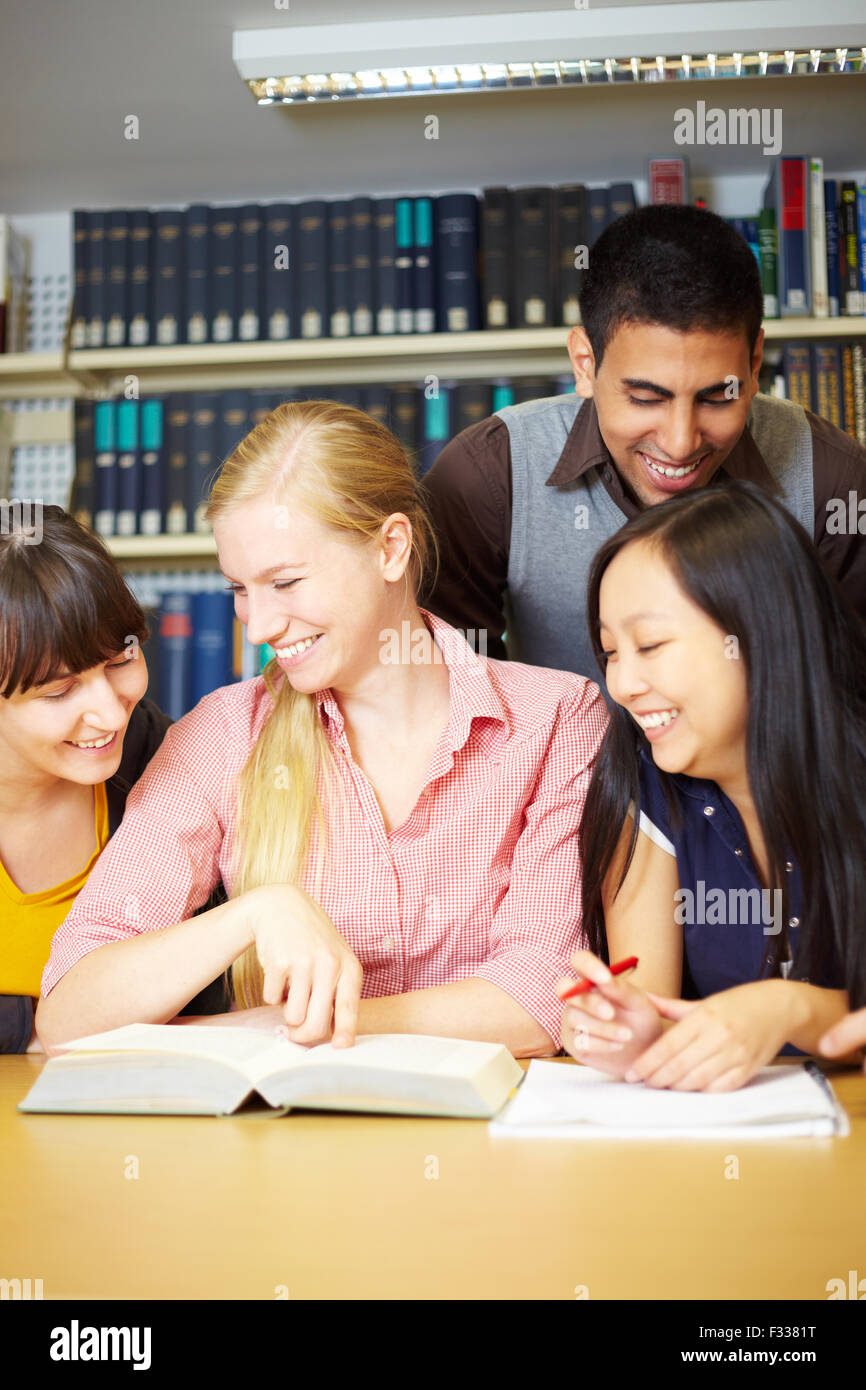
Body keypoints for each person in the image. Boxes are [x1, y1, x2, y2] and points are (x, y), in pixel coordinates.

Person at [36, 400, 608, 1057]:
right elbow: (69, 1017)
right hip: (283, 1148)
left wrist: (281, 1029)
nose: (259, 625)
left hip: (487, 1149)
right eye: (239, 590)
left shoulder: (557, 720)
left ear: (391, 547)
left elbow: (537, 1003)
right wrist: (256, 911)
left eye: (285, 582)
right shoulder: (218, 736)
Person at [422, 204, 866, 685]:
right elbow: (456, 707)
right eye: (646, 398)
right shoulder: (486, 477)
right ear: (585, 364)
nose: (679, 444)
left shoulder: (836, 483)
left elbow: (849, 715)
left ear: (756, 362)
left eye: (716, 397)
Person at [556, 481, 866, 1090]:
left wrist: (792, 1008)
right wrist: (630, 1030)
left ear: (757, 632)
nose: (622, 684)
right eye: (611, 651)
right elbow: (650, 1001)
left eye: (650, 645)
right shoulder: (643, 785)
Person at [0, 506, 229, 1054]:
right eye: (59, 692)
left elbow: (207, 997)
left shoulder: (165, 760)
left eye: (122, 658)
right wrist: (33, 1026)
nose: (110, 713)